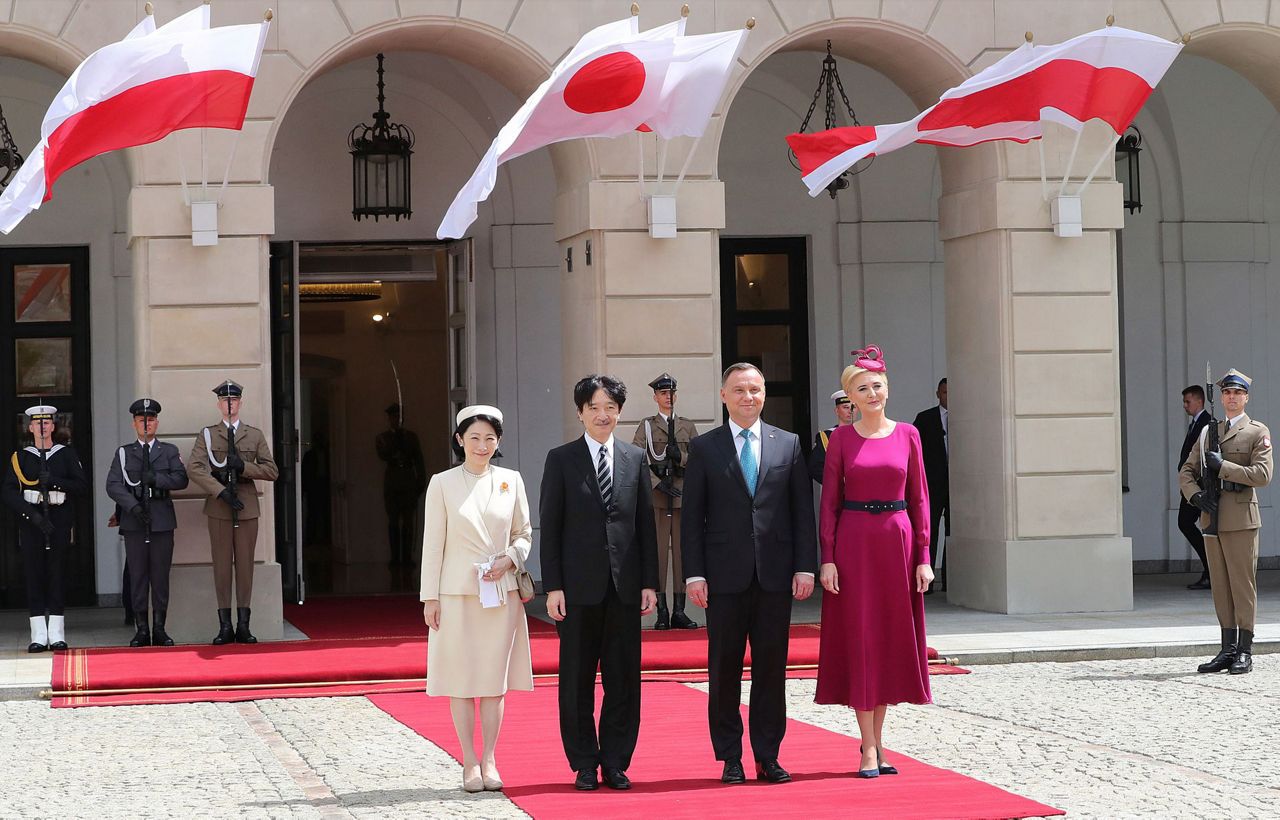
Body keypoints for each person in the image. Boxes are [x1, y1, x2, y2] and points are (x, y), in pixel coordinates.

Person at [682, 363, 816, 786]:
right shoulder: (705, 447)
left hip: (775, 575)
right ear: (723, 395)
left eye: (755, 389)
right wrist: (694, 574)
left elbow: (801, 511)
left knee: (771, 669)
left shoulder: (788, 444)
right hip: (723, 578)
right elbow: (692, 518)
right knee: (724, 670)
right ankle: (730, 757)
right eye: (739, 390)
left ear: (764, 394)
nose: (748, 397)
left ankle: (767, 754)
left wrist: (805, 566)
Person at [817, 345, 933, 778]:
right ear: (850, 398)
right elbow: (829, 504)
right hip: (854, 545)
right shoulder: (840, 440)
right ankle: (867, 746)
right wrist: (827, 558)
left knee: (885, 639)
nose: (872, 394)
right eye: (862, 389)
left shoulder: (909, 435)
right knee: (861, 638)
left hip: (897, 545)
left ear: (888, 389)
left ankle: (878, 743)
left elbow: (920, 499)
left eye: (877, 386)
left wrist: (924, 556)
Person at [540, 375, 658, 792]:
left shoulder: (634, 458)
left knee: (623, 679)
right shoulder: (561, 459)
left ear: (620, 412)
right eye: (594, 407)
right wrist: (553, 586)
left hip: (625, 588)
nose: (602, 415)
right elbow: (551, 527)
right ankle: (584, 763)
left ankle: (616, 761)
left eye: (610, 407)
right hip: (577, 590)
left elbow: (645, 525)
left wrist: (649, 582)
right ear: (580, 412)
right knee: (576, 680)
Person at [421, 405, 533, 793]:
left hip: (500, 594)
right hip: (456, 593)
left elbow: (524, 533)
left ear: (498, 442)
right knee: (461, 679)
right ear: (460, 440)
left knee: (493, 680)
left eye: (489, 438)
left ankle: (490, 758)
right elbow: (433, 543)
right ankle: (469, 759)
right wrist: (430, 597)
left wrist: (510, 558)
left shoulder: (511, 480)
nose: (482, 445)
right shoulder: (442, 483)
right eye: (474, 438)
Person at [1179, 369, 1272, 675]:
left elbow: (1263, 475)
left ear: (1246, 398)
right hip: (1212, 517)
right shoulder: (1208, 432)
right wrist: (1195, 497)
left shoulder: (1256, 431)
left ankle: (1245, 650)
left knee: (1242, 586)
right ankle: (1227, 649)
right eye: (1227, 393)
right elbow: (1187, 471)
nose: (1232, 397)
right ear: (1221, 398)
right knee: (1220, 587)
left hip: (1241, 519)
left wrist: (1224, 466)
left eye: (1237, 393)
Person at [188, 380, 279, 645]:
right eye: (225, 400)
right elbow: (194, 468)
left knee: (245, 567)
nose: (230, 404)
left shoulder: (254, 435)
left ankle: (244, 626)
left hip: (246, 505)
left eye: (234, 400)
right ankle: (225, 626)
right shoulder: (208, 434)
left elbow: (272, 471)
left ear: (240, 403)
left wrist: (244, 467)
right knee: (222, 567)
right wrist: (220, 491)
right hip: (220, 506)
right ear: (219, 404)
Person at [0, 404, 88, 652]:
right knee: (34, 574)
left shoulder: (66, 454)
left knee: (57, 573)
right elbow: (8, 492)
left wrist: (56, 481)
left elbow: (81, 486)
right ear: (30, 428)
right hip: (32, 522)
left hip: (58, 519)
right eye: (37, 423)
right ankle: (38, 634)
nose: (42, 427)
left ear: (52, 426)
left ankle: (56, 633)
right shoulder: (21, 457)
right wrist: (33, 517)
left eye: (46, 423)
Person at [105, 399, 189, 647]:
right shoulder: (124, 453)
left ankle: (159, 629)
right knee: (138, 575)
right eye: (141, 420)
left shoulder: (169, 451)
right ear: (134, 423)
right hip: (135, 521)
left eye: (150, 420)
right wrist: (133, 507)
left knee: (160, 576)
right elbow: (113, 485)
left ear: (156, 423)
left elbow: (181, 479)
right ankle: (141, 629)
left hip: (161, 519)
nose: (146, 424)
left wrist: (157, 479)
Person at [632, 372, 700, 629]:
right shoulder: (647, 427)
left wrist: (680, 456)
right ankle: (662, 611)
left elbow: (699, 459)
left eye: (671, 393)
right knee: (658, 555)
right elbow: (636, 459)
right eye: (663, 393)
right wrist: (657, 482)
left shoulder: (687, 426)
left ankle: (679, 611)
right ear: (655, 397)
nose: (668, 397)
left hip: (682, 496)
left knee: (682, 555)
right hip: (659, 498)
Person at [377, 404, 426, 567]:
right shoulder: (383, 437)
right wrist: (396, 441)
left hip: (408, 481)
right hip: (392, 482)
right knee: (393, 521)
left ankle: (407, 557)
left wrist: (421, 481)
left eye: (398, 417)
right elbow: (384, 454)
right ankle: (395, 558)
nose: (396, 420)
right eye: (393, 417)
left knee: (408, 522)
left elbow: (418, 460)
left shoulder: (411, 437)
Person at [912, 378, 949, 592]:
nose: (948, 397)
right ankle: (928, 581)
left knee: (954, 533)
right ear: (938, 394)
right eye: (945, 393)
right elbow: (914, 452)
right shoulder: (925, 419)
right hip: (932, 485)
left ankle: (951, 579)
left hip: (958, 486)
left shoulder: (966, 417)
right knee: (930, 530)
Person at [1178, 385, 1212, 590]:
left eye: (1187, 401)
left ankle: (1211, 571)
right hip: (1192, 486)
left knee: (1187, 523)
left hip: (1199, 487)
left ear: (1199, 401)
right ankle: (1210, 571)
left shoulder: (1207, 423)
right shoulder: (1197, 423)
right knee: (1192, 525)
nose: (1185, 405)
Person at [808, 389, 854, 484]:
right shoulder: (826, 437)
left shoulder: (865, 434)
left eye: (853, 407)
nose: (850, 411)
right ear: (837, 411)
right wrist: (836, 483)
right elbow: (816, 467)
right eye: (845, 407)